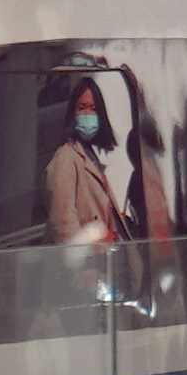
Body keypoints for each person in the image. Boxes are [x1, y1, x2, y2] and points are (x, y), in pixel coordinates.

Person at [45, 75, 127, 249]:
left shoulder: (90, 156)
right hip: (87, 269)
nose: (87, 114)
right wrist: (85, 265)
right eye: (81, 108)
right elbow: (63, 222)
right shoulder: (66, 156)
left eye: (93, 108)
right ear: (72, 114)